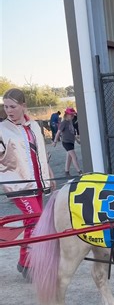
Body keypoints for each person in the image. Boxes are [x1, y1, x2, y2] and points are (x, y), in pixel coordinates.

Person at [0, 88, 56, 279]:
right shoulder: (2, 130)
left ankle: (25, 263)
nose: (9, 110)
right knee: (35, 221)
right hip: (18, 185)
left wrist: (48, 171)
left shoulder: (33, 126)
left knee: (34, 222)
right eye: (6, 106)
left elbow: (39, 151)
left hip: (37, 181)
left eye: (13, 106)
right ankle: (31, 265)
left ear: (23, 106)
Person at [53, 107, 82, 176]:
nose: (72, 116)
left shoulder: (70, 122)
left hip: (71, 142)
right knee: (74, 157)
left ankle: (67, 171)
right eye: (71, 115)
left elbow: (72, 133)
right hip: (66, 142)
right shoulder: (64, 123)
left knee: (69, 158)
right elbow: (58, 132)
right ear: (66, 114)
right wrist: (55, 141)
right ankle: (79, 171)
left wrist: (77, 140)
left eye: (73, 115)